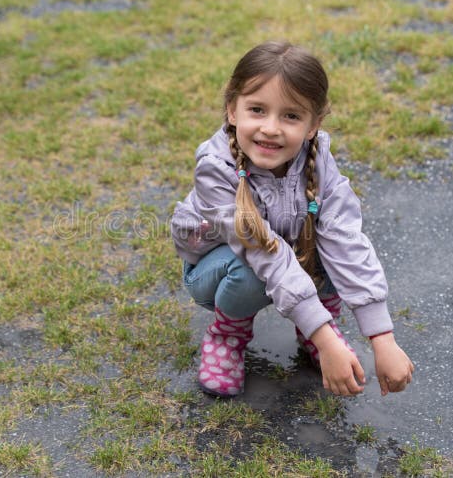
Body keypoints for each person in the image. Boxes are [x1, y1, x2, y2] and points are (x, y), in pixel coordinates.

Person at [171, 41, 414, 398]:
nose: (271, 128)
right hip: (221, 268)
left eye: (291, 116)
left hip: (283, 255)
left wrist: (382, 337)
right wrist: (327, 339)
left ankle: (315, 332)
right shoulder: (215, 171)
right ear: (232, 110)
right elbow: (263, 251)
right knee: (250, 269)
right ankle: (228, 336)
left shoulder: (317, 162)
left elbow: (346, 240)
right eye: (257, 109)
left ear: (313, 124)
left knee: (329, 241)